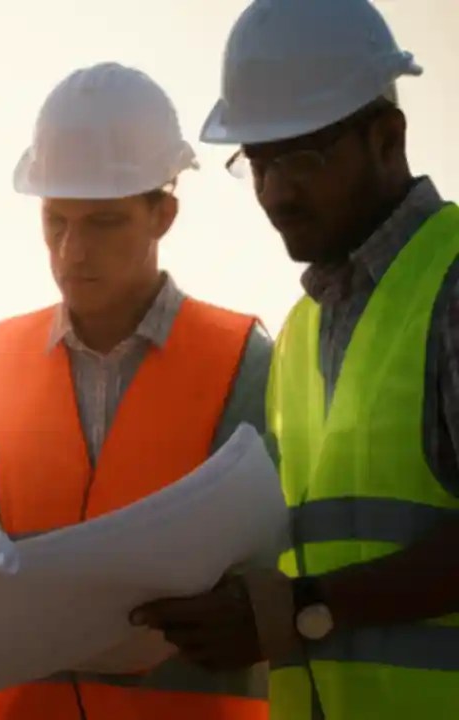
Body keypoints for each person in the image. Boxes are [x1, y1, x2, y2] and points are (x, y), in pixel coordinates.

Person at [133, 1, 459, 718]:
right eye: (259, 162)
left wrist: (304, 608)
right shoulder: (302, 331)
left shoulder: (453, 281)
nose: (276, 191)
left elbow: (311, 596)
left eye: (303, 157)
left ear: (388, 137)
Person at [0, 62, 274, 720]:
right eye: (56, 221)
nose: (72, 251)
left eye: (103, 223)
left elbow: (277, 569)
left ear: (163, 215)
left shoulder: (246, 364)